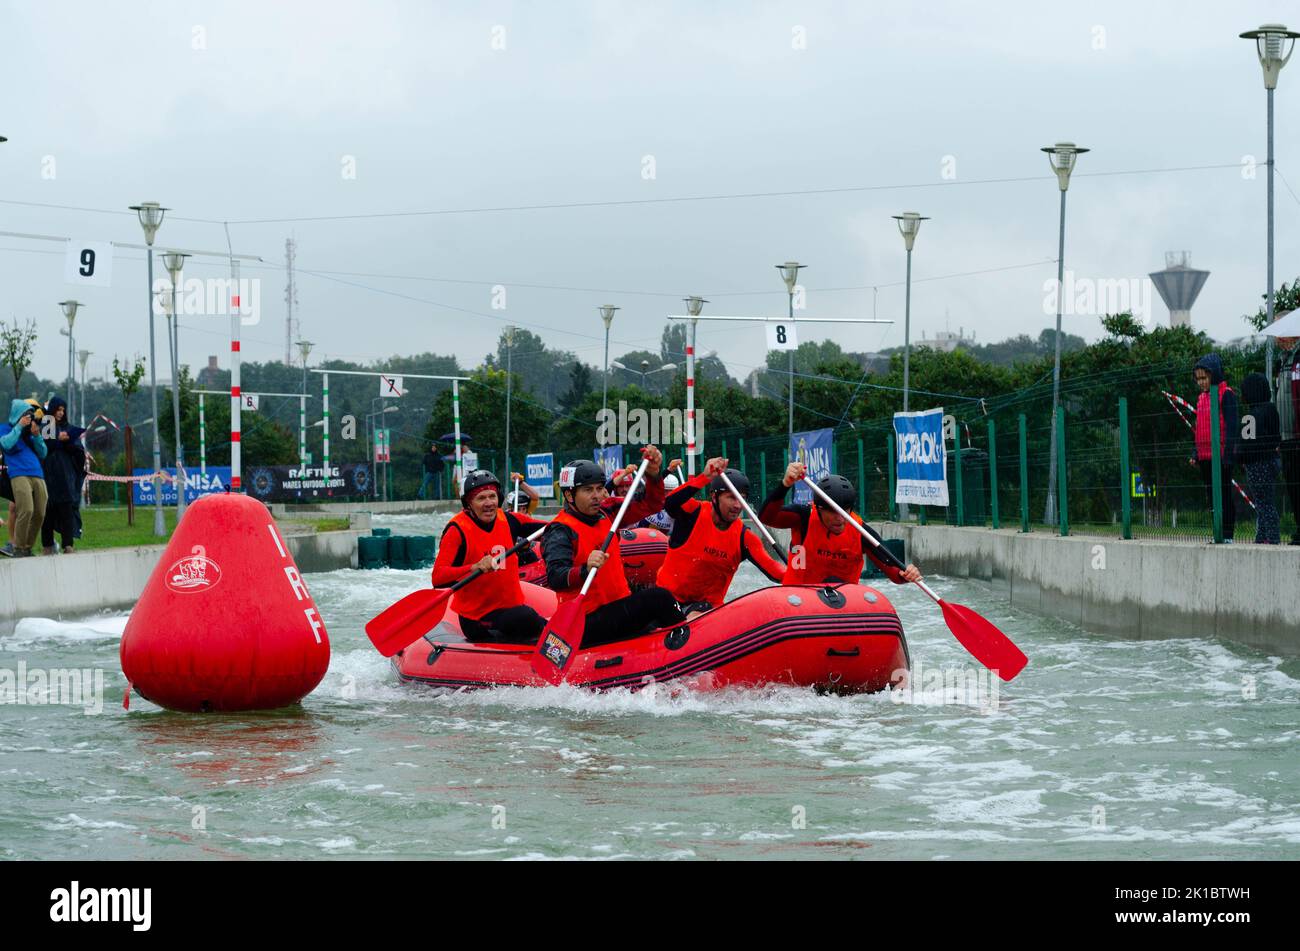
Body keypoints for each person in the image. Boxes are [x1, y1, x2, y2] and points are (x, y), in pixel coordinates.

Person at [542, 446, 686, 649]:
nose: (597, 495)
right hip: (585, 621)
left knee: (655, 610)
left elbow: (651, 504)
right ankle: (688, 640)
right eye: (588, 490)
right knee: (658, 597)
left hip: (616, 609)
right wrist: (584, 568)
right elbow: (555, 577)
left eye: (600, 488)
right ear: (569, 495)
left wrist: (653, 475)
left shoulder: (608, 511)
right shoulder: (559, 530)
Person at [429, 469, 550, 644]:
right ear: (468, 504)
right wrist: (473, 567)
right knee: (526, 616)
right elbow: (438, 578)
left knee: (531, 619)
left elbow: (550, 529)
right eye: (481, 498)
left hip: (510, 610)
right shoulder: (457, 530)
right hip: (478, 619)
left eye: (492, 496)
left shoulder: (508, 520)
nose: (489, 503)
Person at [760, 461, 922, 586]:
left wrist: (906, 574)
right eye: (833, 511)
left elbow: (893, 571)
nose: (840, 518)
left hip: (841, 608)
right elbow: (767, 518)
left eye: (845, 511)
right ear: (819, 508)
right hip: (799, 601)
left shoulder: (861, 531)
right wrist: (785, 485)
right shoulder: (803, 517)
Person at [655, 457, 785, 613]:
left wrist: (801, 576)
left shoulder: (745, 538)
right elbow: (669, 503)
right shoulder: (693, 511)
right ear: (714, 497)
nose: (738, 506)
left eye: (742, 499)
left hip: (706, 609)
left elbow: (775, 571)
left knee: (698, 614)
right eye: (731, 498)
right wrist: (705, 477)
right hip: (667, 599)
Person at [1187, 353, 1239, 541]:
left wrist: (1229, 454)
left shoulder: (1226, 394)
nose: (1201, 382)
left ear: (1214, 375)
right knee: (1211, 496)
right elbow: (1199, 428)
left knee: (1224, 494)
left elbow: (1233, 426)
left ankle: (1227, 534)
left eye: (1204, 378)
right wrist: (1196, 452)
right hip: (1205, 456)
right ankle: (1217, 532)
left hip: (1222, 456)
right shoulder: (1201, 398)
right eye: (1198, 379)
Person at [0, 400, 49, 557]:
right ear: (17, 415)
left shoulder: (30, 434)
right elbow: (6, 444)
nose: (29, 418)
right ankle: (19, 547)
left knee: (40, 512)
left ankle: (27, 546)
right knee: (26, 509)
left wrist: (37, 436)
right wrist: (19, 426)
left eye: (30, 415)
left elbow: (43, 453)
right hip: (18, 473)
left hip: (37, 472)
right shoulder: (4, 429)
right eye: (26, 415)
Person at [1238, 372, 1282, 545]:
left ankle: (1271, 537)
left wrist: (1240, 458)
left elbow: (1244, 441)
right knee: (1266, 501)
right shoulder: (1271, 409)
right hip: (1270, 460)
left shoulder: (1250, 415)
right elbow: (1275, 436)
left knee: (1263, 503)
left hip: (1256, 464)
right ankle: (1263, 537)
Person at [40, 396, 86, 554]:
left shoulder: (69, 428)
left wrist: (68, 442)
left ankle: (68, 545)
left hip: (65, 476)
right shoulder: (46, 425)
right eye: (58, 409)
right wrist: (57, 439)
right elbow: (45, 446)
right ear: (52, 409)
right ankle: (47, 546)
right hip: (47, 475)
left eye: (62, 410)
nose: (60, 413)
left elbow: (79, 453)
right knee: (47, 512)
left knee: (66, 510)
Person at [1277, 339, 1300, 544]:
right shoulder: (1283, 360)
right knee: (1292, 484)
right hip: (1285, 436)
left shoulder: (1297, 359)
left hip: (1295, 433)